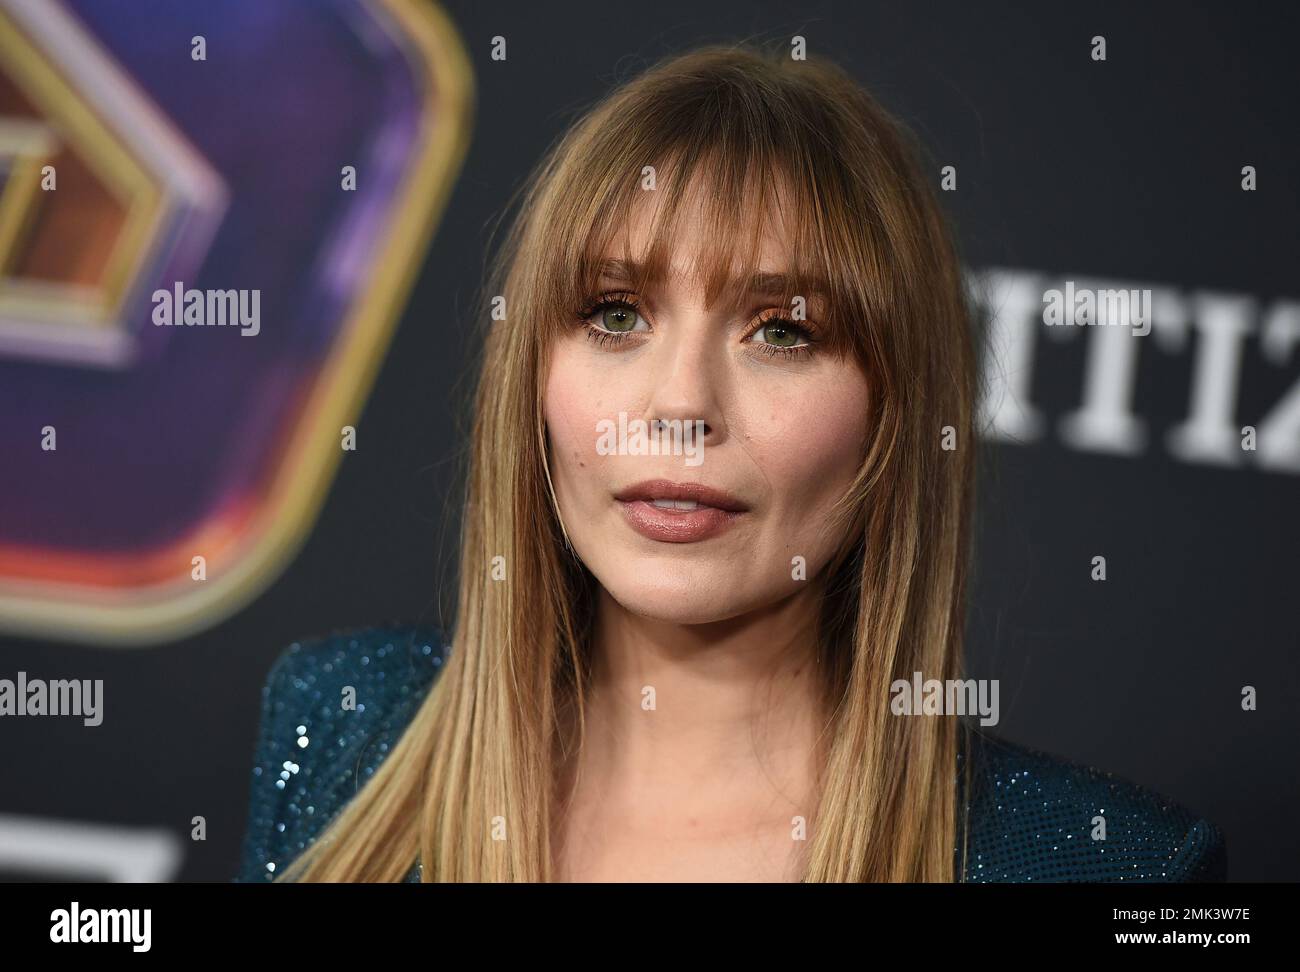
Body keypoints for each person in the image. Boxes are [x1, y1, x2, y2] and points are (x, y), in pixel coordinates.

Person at [235, 44, 1225, 883]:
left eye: (782, 332)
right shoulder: (345, 727)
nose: (678, 408)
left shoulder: (1109, 865)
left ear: (897, 412)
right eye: (614, 315)